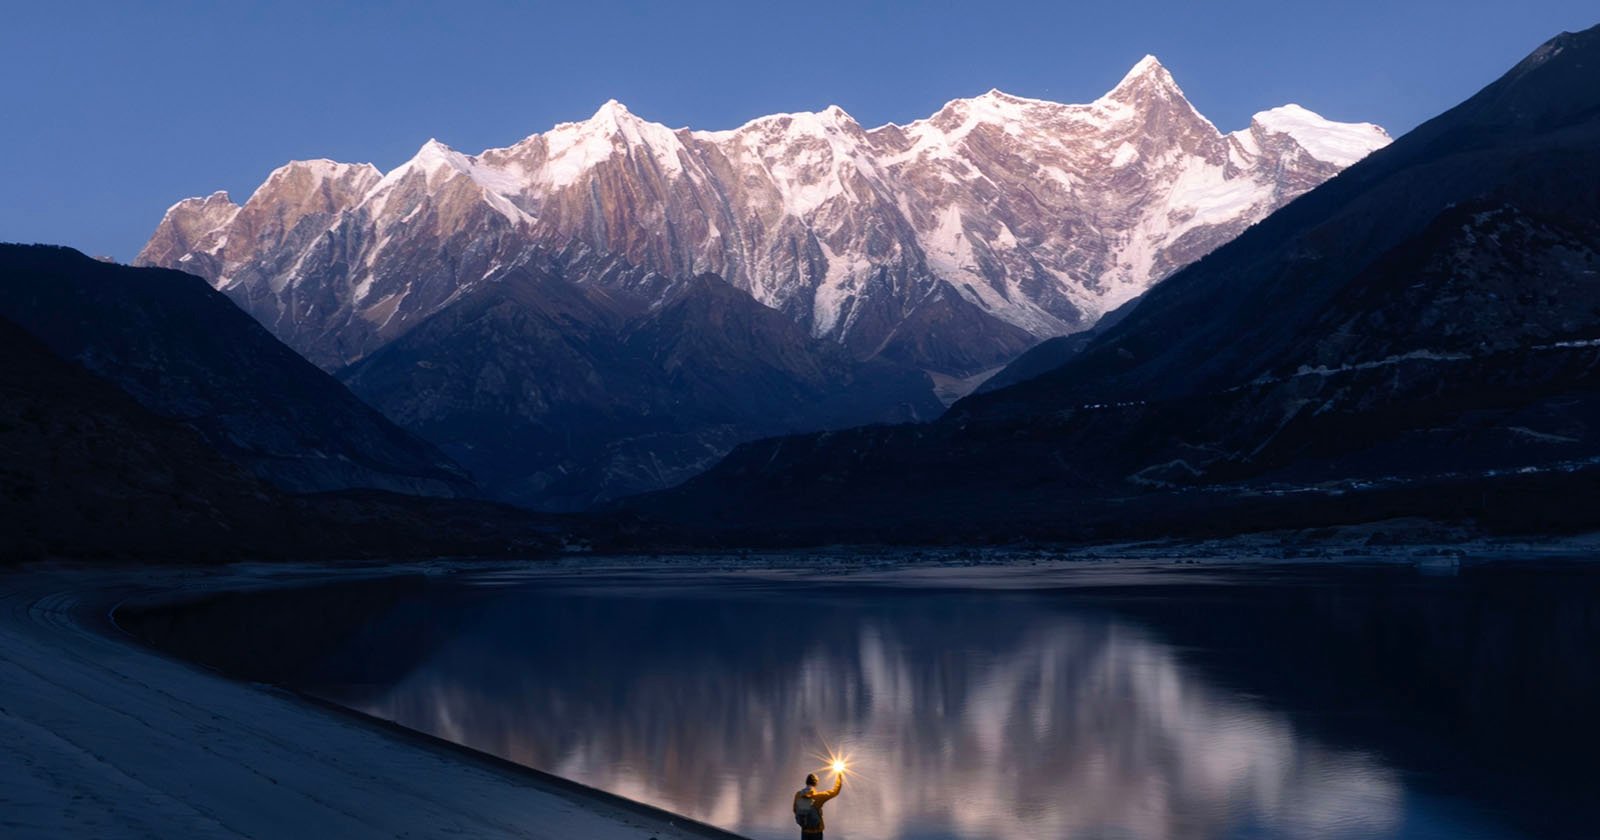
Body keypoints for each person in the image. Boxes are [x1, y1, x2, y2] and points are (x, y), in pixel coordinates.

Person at [792, 769, 843, 838]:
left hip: (804, 831)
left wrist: (805, 819)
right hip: (816, 832)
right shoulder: (819, 796)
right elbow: (835, 792)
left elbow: (795, 810)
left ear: (806, 782)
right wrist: (839, 775)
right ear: (816, 783)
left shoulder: (798, 795)